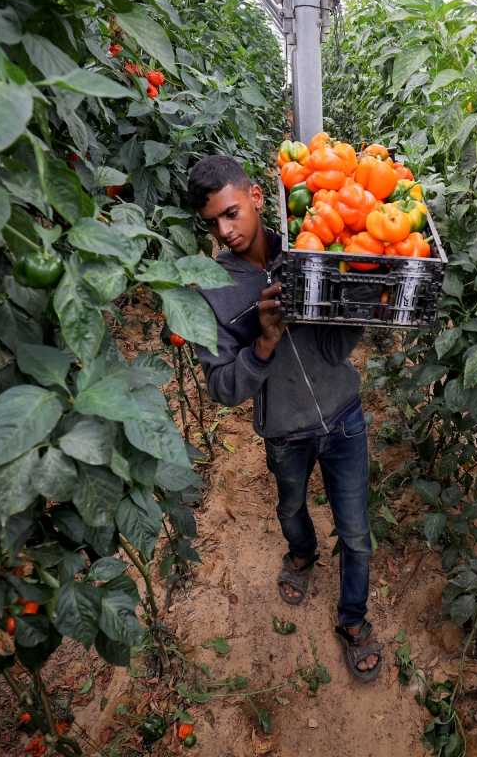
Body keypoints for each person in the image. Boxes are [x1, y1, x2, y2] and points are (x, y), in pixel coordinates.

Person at [185, 155, 381, 681]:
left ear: (254, 196)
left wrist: (355, 304)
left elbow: (337, 349)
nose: (225, 231)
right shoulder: (212, 291)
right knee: (291, 507)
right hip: (284, 430)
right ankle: (301, 554)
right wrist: (264, 345)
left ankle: (353, 620)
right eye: (212, 223)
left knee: (357, 531)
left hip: (343, 416)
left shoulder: (308, 246)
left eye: (231, 213)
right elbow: (222, 387)